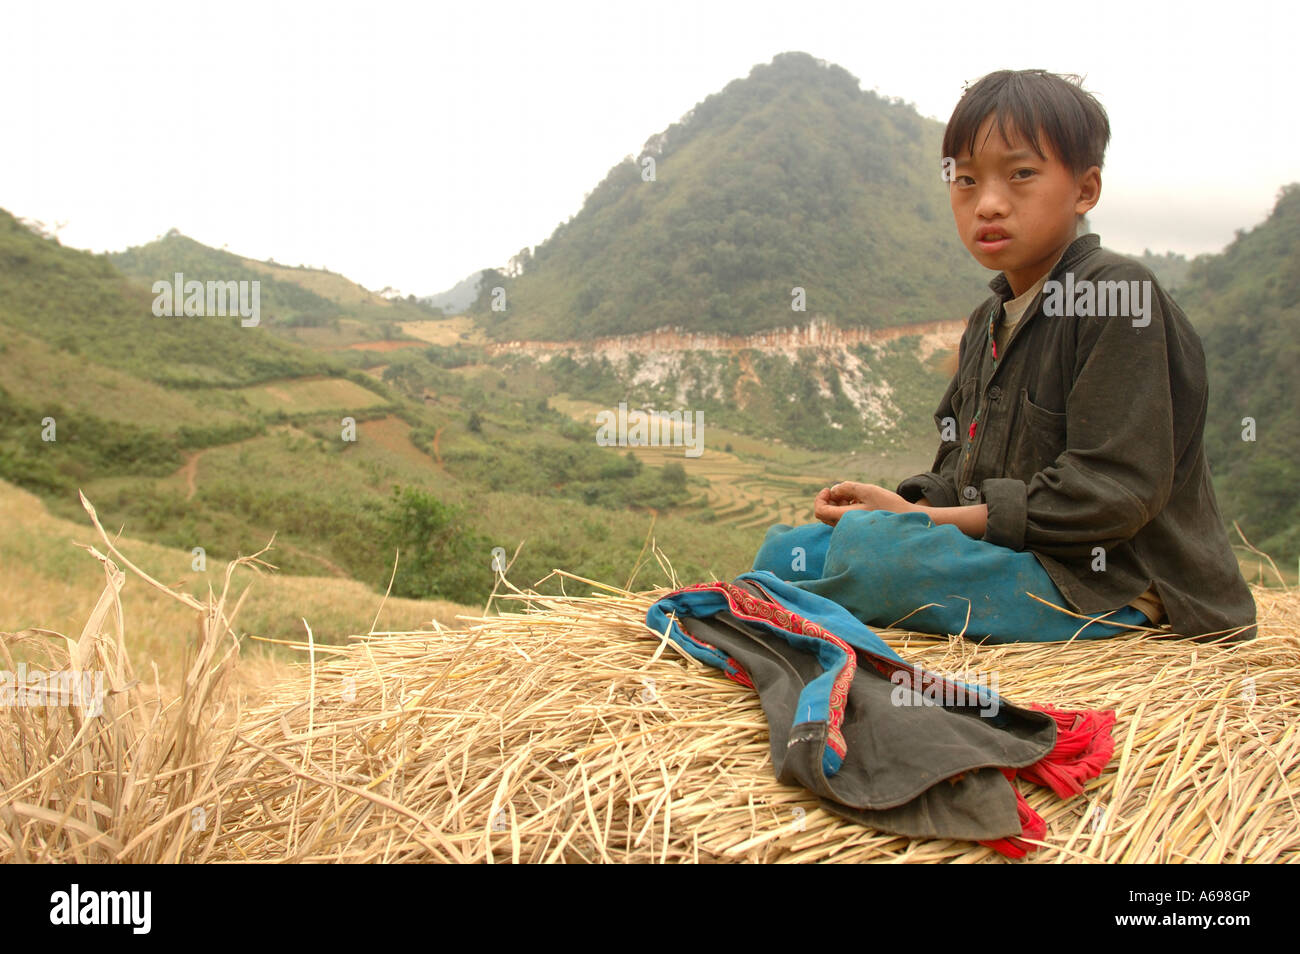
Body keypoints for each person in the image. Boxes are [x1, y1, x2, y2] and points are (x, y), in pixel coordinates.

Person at [753, 69, 1257, 643]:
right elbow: (960, 466)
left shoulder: (1119, 295)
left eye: (1021, 175)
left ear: (1085, 190)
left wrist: (919, 524)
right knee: (787, 548)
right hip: (1016, 552)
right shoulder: (986, 322)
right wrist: (903, 503)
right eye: (965, 181)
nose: (988, 204)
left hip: (1108, 580)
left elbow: (1109, 496)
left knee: (877, 557)